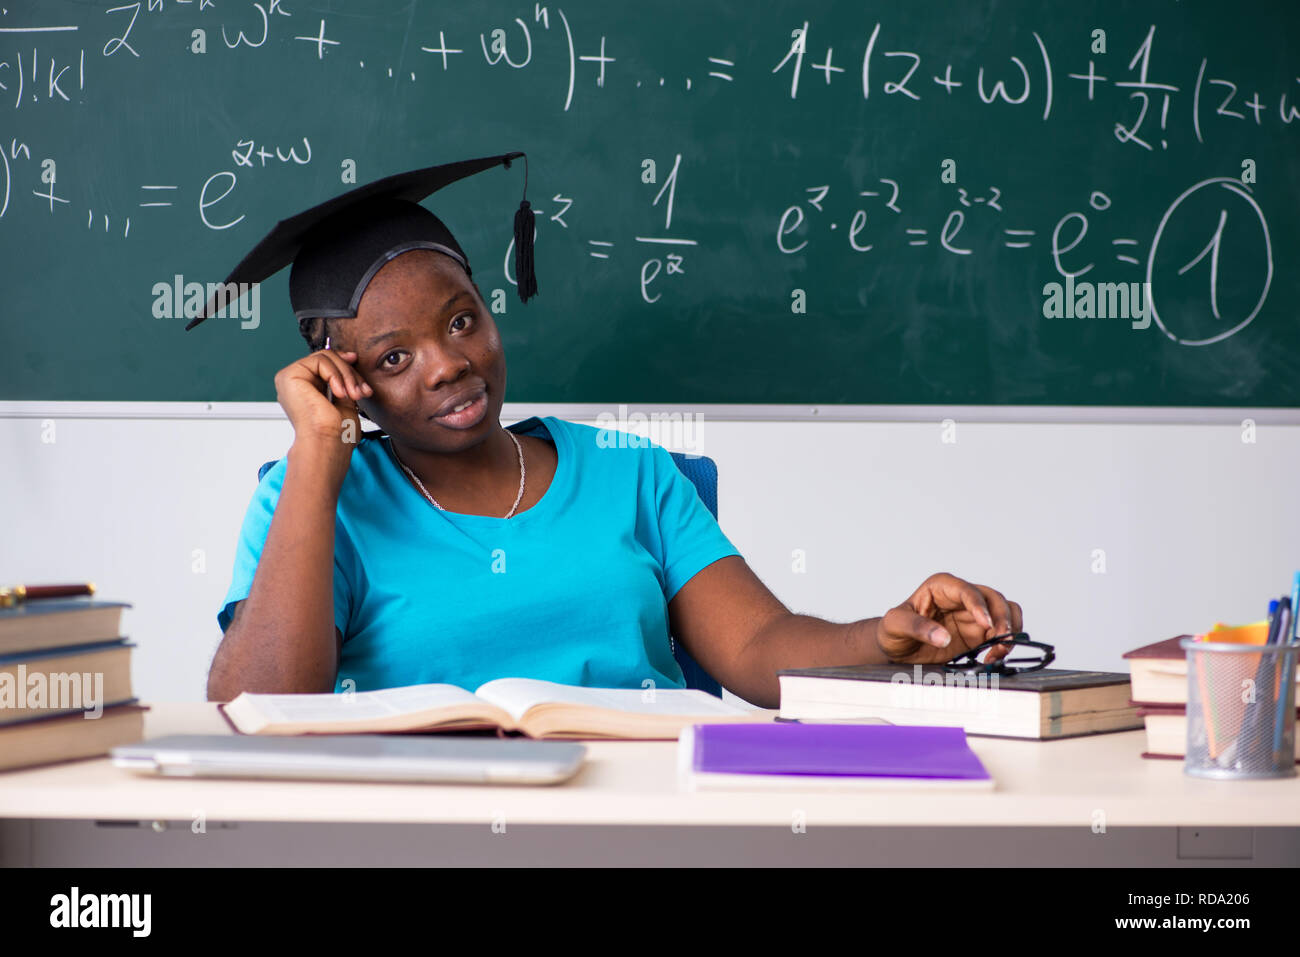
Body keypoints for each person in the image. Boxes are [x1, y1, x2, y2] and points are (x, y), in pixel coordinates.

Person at [199, 153, 1022, 708]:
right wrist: (317, 457)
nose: (447, 364)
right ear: (341, 378)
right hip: (420, 834)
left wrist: (884, 638)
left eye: (461, 319)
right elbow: (254, 708)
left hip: (637, 823)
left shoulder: (629, 471)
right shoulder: (313, 500)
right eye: (392, 357)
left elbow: (763, 645)